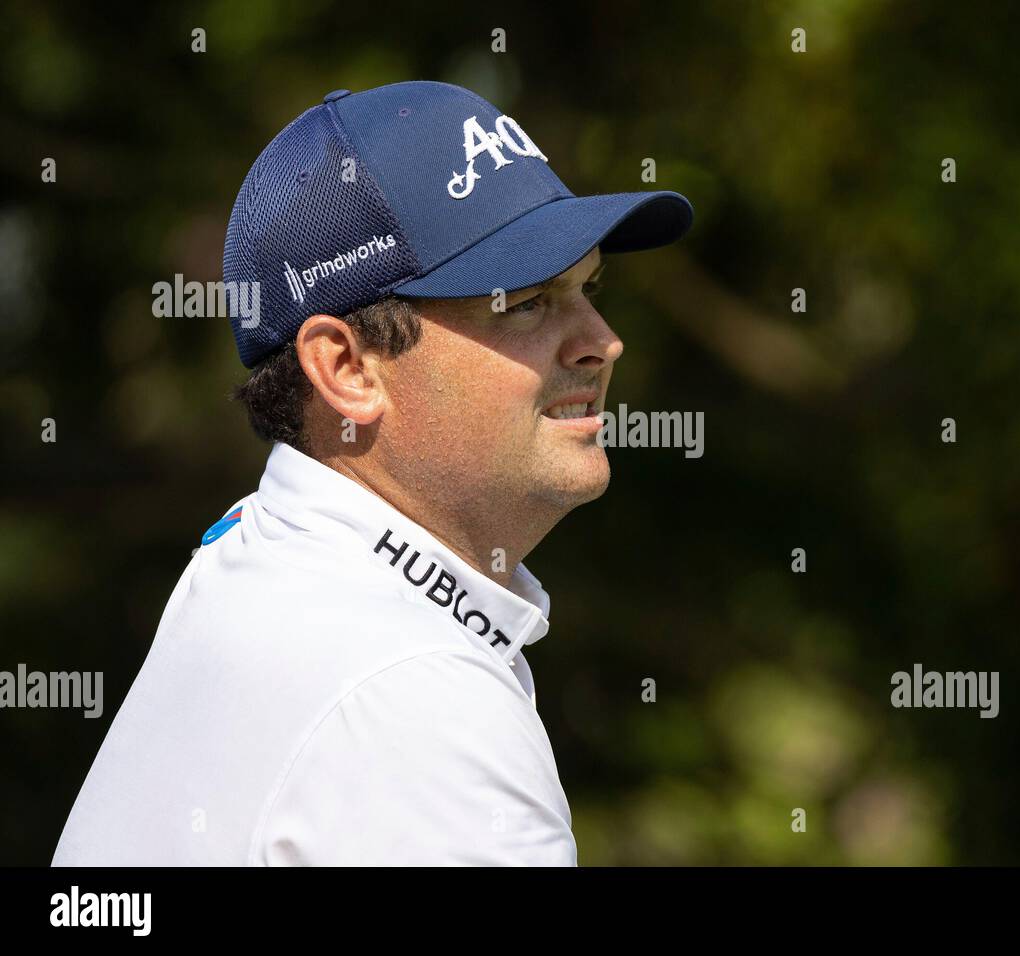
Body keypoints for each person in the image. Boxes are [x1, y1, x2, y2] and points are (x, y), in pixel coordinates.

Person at [51, 80, 693, 865]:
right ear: (348, 369)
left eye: (587, 289)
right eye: (527, 301)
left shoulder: (264, 558)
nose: (603, 340)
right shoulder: (415, 697)